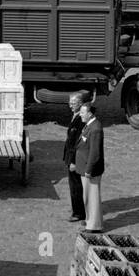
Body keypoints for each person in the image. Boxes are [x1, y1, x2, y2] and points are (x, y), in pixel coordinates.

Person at [72, 99, 104, 233]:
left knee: (92, 198)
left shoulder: (95, 129)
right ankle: (90, 220)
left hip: (89, 169)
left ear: (90, 114)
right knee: (87, 196)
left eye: (83, 113)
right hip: (84, 167)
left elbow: (94, 153)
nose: (80, 115)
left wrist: (89, 170)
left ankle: (94, 226)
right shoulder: (89, 125)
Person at [62, 91, 89, 224]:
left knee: (76, 186)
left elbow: (77, 143)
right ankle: (78, 210)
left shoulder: (81, 119)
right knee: (75, 186)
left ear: (81, 104)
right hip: (71, 157)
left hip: (76, 159)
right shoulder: (76, 115)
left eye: (73, 103)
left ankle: (79, 213)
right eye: (70, 103)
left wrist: (73, 161)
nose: (70, 106)